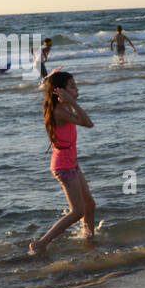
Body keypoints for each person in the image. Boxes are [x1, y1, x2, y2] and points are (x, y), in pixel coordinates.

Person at [29, 72, 96, 254]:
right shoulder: (60, 111)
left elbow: (85, 122)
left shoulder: (63, 108)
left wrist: (70, 100)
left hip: (71, 163)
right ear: (61, 92)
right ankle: (41, 243)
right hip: (63, 167)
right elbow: (88, 123)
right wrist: (72, 101)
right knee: (78, 211)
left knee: (90, 204)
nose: (77, 88)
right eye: (72, 86)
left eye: (76, 85)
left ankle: (89, 238)